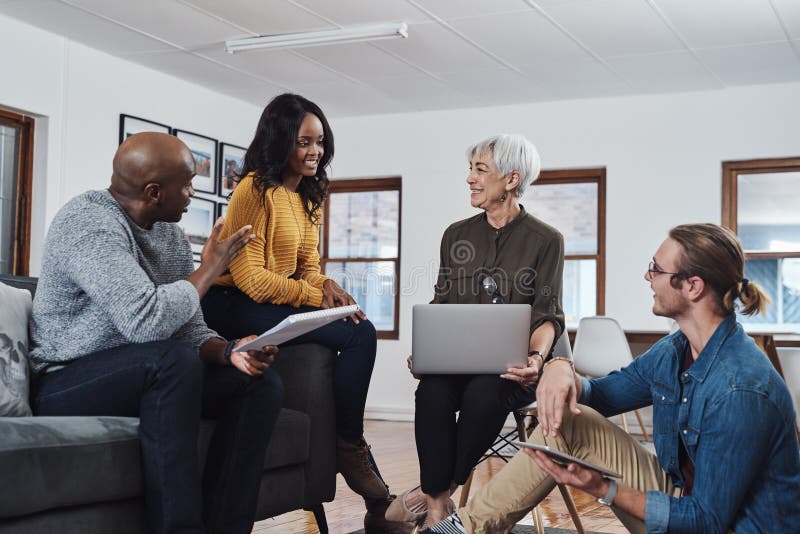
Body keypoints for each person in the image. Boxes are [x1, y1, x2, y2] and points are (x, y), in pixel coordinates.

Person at [425, 223, 800, 534]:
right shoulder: (675, 350)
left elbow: (707, 521)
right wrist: (560, 367)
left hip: (729, 525)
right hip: (686, 498)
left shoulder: (741, 388)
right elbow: (600, 397)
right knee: (573, 422)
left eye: (656, 269)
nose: (647, 276)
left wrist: (603, 489)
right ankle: (461, 530)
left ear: (693, 286)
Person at [29, 132, 284, 534]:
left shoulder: (168, 235)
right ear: (153, 192)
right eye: (186, 184)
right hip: (65, 382)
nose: (192, 193)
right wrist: (209, 270)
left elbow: (188, 328)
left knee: (256, 382)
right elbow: (144, 321)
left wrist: (229, 351)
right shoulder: (88, 223)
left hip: (144, 374)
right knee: (171, 360)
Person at [199, 93, 403, 532]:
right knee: (351, 330)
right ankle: (351, 449)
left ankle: (349, 444)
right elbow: (252, 279)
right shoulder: (254, 190)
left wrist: (327, 286)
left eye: (320, 142)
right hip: (230, 306)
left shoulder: (308, 194)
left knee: (358, 329)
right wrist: (316, 299)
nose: (316, 152)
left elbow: (308, 265)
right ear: (280, 141)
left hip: (271, 301)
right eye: (304, 142)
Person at [387, 134, 568, 529]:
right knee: (431, 390)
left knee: (486, 391)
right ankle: (439, 510)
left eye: (480, 169)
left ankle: (428, 497)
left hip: (515, 368)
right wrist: (428, 348)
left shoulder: (547, 240)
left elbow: (547, 315)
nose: (469, 178)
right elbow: (442, 303)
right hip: (459, 361)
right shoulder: (456, 235)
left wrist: (536, 360)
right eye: (470, 168)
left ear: (511, 179)